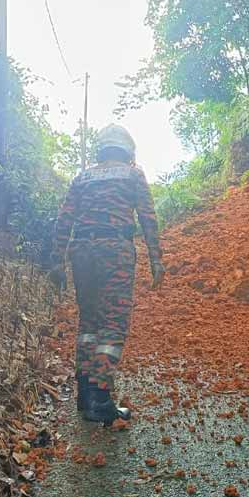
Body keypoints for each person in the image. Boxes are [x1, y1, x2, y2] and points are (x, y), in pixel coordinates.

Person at [50, 124, 164, 424]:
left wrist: (56, 262)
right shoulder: (133, 174)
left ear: (100, 149)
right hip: (114, 250)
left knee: (89, 323)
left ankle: (85, 395)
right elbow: (148, 219)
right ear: (128, 150)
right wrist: (156, 261)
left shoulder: (83, 176)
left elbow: (64, 220)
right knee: (113, 324)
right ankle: (101, 399)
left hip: (81, 251)